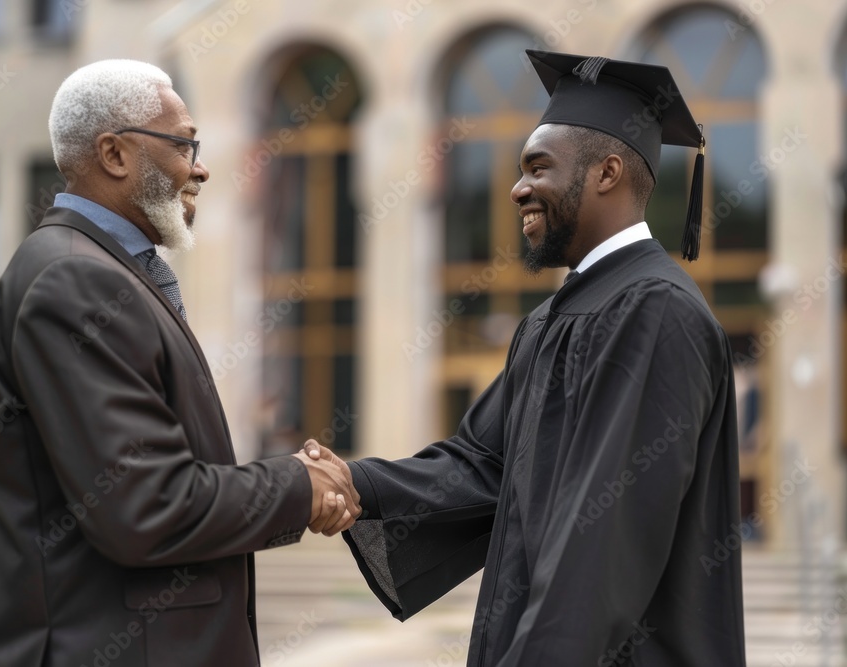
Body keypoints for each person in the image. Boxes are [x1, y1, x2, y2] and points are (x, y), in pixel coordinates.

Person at [308, 50, 746, 665]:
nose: (517, 189)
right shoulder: (550, 319)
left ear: (607, 172)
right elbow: (482, 466)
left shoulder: (655, 312)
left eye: (538, 168)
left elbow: (604, 540)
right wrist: (353, 481)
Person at [0, 59, 359, 667]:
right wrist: (297, 484)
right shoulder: (76, 281)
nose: (201, 167)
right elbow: (143, 504)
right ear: (115, 154)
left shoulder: (100, 270)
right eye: (184, 144)